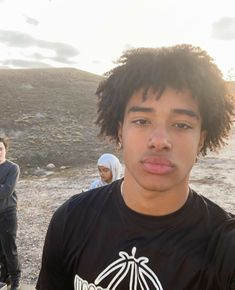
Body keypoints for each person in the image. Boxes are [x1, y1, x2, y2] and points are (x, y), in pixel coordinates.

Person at [36, 44, 235, 290]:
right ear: (120, 131)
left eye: (182, 124)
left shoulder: (224, 247)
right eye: (141, 121)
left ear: (202, 139)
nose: (160, 140)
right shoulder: (71, 220)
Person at [0, 137, 21, 290]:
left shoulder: (13, 168)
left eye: (0, 148)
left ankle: (15, 280)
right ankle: (3, 278)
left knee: (10, 249)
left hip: (8, 214)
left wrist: (2, 187)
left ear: (5, 149)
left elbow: (6, 191)